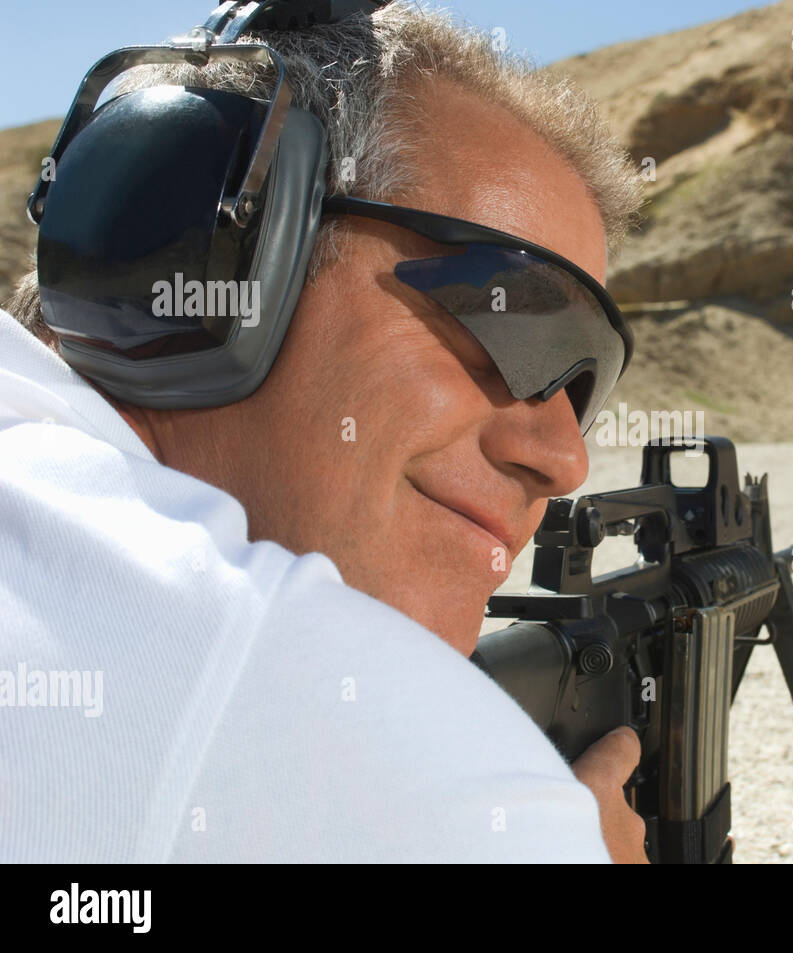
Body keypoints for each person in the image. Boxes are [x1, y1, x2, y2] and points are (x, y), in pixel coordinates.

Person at [0, 2, 647, 862]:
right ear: (216, 259)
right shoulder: (364, 730)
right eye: (514, 321)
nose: (566, 459)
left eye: (583, 381)